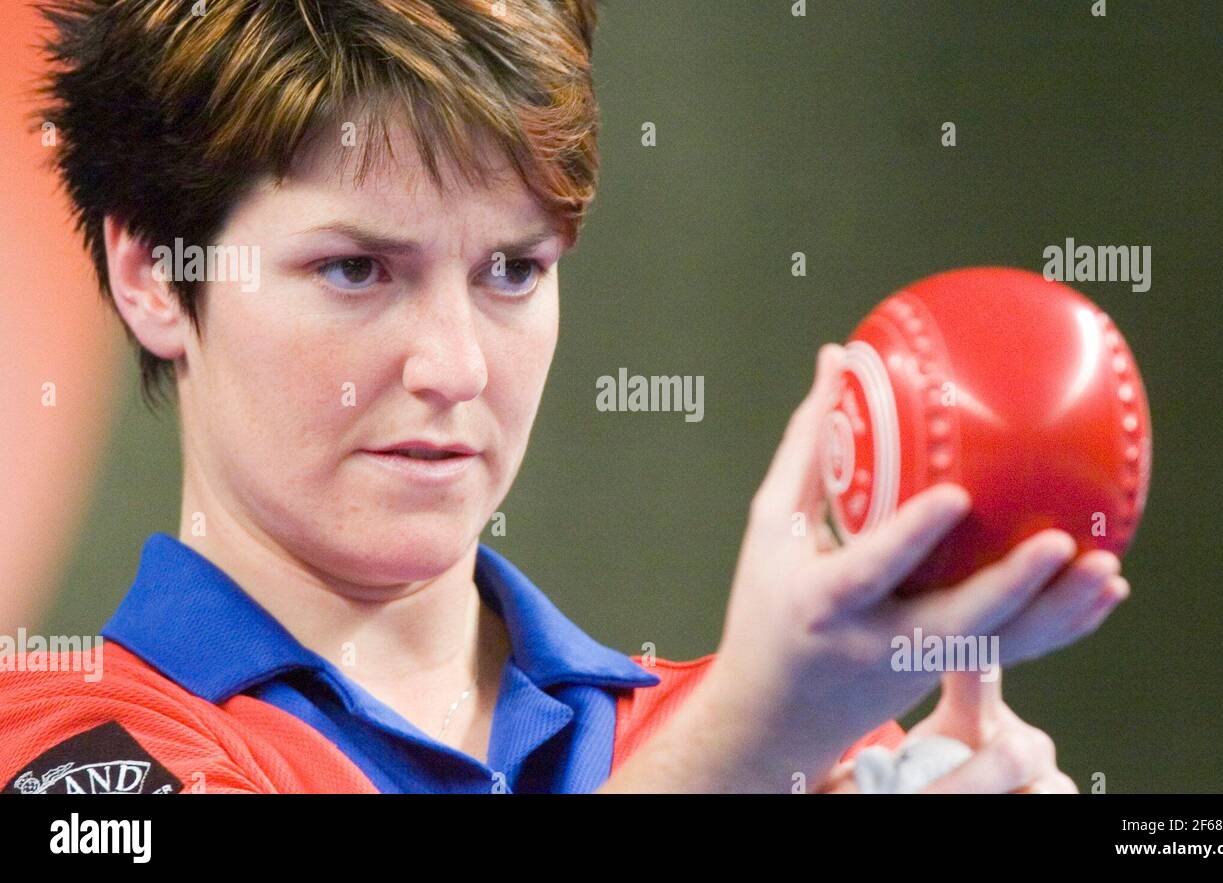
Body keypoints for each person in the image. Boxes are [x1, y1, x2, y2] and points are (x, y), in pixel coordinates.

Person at [0, 0, 1127, 794]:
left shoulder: (812, 748)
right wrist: (756, 740)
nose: (455, 366)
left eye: (511, 271)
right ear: (153, 273)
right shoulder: (59, 746)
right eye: (356, 269)